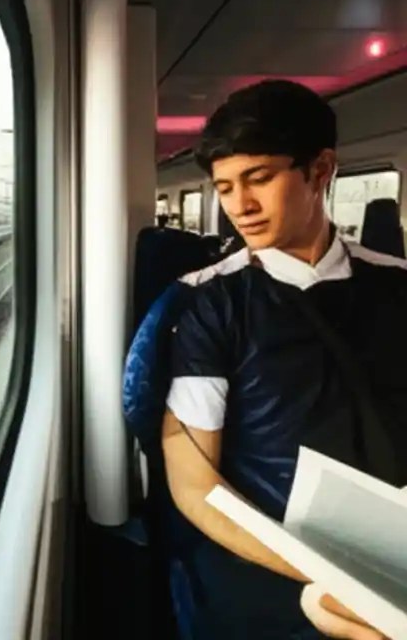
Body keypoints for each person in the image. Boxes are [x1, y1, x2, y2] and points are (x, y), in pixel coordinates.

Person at [159, 79, 407, 639]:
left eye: (259, 179)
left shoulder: (396, 286)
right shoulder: (210, 303)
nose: (239, 207)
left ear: (320, 171)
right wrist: (336, 580)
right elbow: (194, 484)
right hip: (272, 554)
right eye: (224, 188)